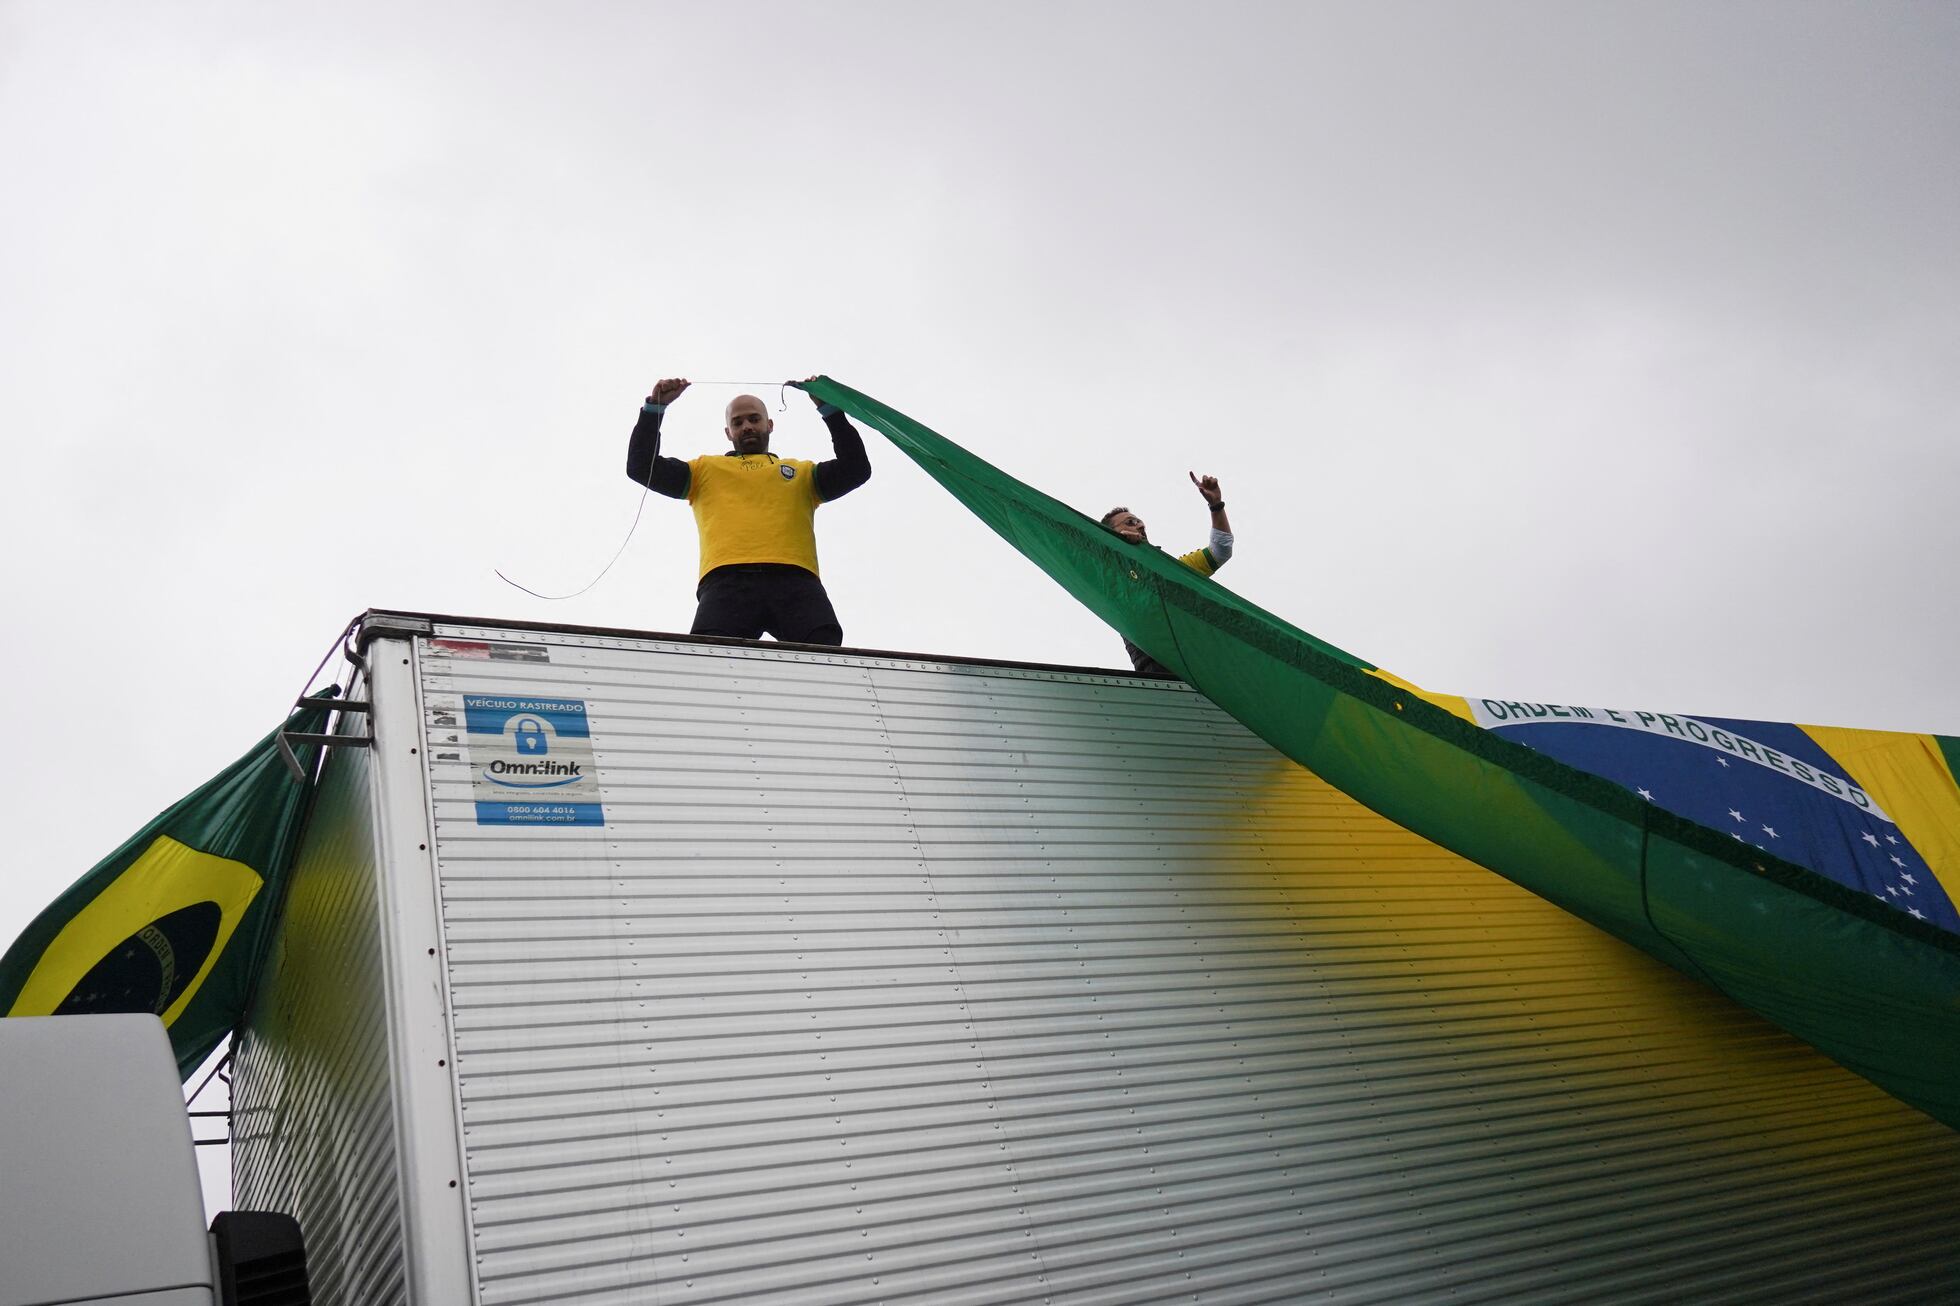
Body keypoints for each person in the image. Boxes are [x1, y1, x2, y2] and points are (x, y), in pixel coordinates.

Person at [626, 377, 870, 644]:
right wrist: (655, 410)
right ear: (728, 433)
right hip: (727, 580)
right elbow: (641, 466)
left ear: (769, 424)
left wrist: (831, 412)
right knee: (708, 656)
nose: (747, 427)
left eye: (754, 419)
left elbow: (856, 469)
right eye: (738, 423)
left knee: (824, 644)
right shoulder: (704, 471)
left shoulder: (802, 474)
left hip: (794, 578)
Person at [1100, 473, 1234, 674]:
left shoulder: (1172, 570)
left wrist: (1216, 505)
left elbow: (1221, 550)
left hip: (1202, 670)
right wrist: (1121, 551)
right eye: (1129, 522)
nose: (1140, 525)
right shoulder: (1108, 573)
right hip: (1157, 675)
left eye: (1138, 521)